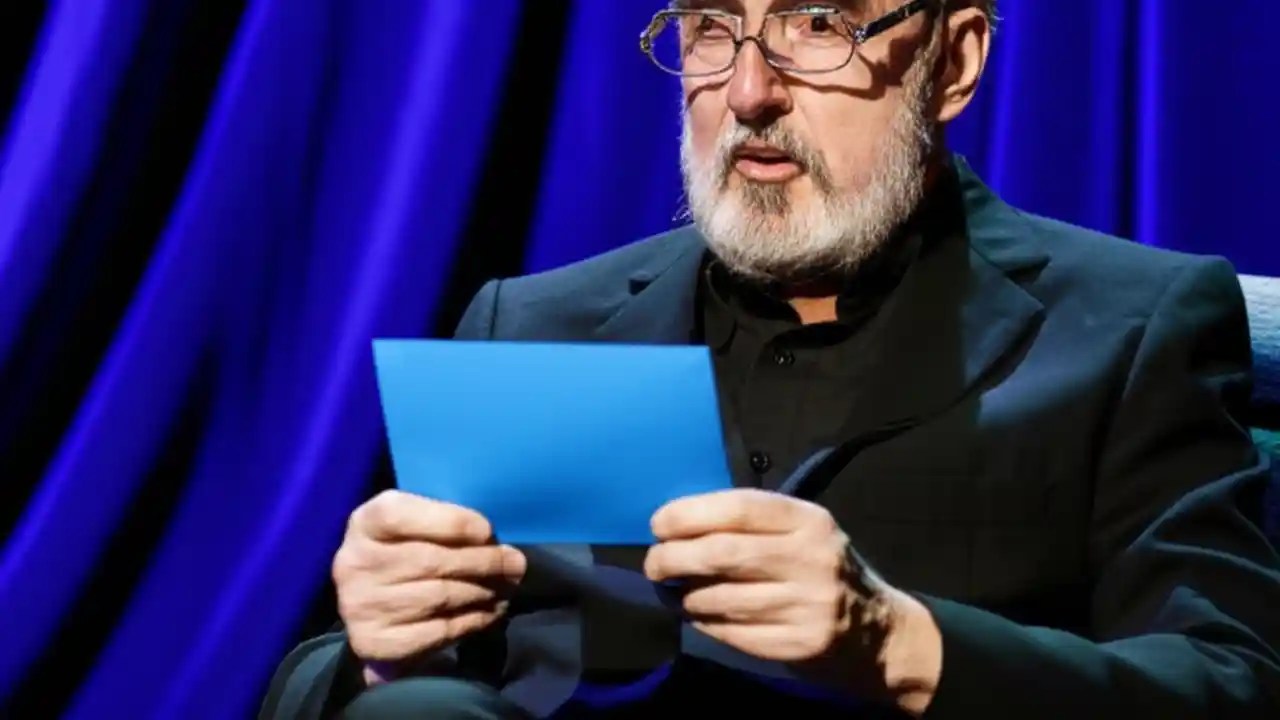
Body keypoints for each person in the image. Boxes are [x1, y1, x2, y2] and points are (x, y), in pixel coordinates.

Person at [260, 0, 1280, 718]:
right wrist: (378, 660)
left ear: (953, 60)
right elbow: (326, 680)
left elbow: (1228, 683)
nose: (748, 91)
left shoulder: (1132, 324)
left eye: (818, 24)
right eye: (710, 27)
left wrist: (893, 643)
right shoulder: (529, 321)